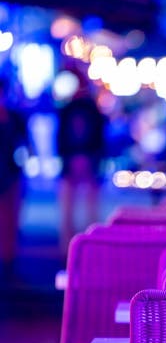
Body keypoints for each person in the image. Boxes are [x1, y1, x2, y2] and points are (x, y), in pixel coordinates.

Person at [56, 76, 107, 255]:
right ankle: (76, 246)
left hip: (83, 159)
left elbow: (62, 137)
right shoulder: (86, 109)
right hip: (78, 160)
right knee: (75, 208)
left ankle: (82, 245)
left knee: (85, 208)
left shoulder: (78, 109)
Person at [0, 80, 27, 284]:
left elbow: (23, 143)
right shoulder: (12, 116)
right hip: (10, 172)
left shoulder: (14, 116)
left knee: (9, 220)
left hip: (10, 174)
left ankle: (9, 261)